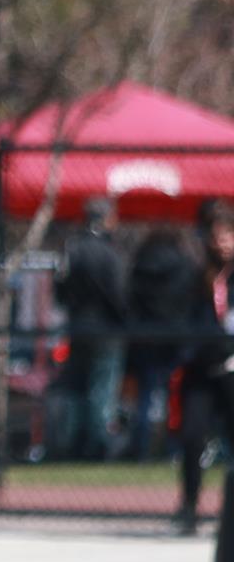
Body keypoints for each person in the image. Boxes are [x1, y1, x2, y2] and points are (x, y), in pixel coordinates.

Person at [53, 197, 131, 461]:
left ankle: (73, 444)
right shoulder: (110, 252)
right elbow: (118, 295)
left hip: (78, 327)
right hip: (106, 330)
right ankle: (99, 448)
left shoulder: (72, 248)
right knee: (102, 389)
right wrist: (125, 321)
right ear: (108, 218)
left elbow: (60, 291)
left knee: (77, 387)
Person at [176, 198, 234, 531]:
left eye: (228, 235)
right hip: (202, 367)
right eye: (217, 236)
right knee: (193, 436)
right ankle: (188, 506)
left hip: (231, 367)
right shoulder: (198, 274)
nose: (222, 242)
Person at [124, 225, 202, 463]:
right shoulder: (185, 264)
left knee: (146, 396)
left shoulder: (140, 265)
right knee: (174, 395)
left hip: (146, 336)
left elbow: (130, 300)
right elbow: (191, 299)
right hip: (175, 337)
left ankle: (142, 448)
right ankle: (172, 447)